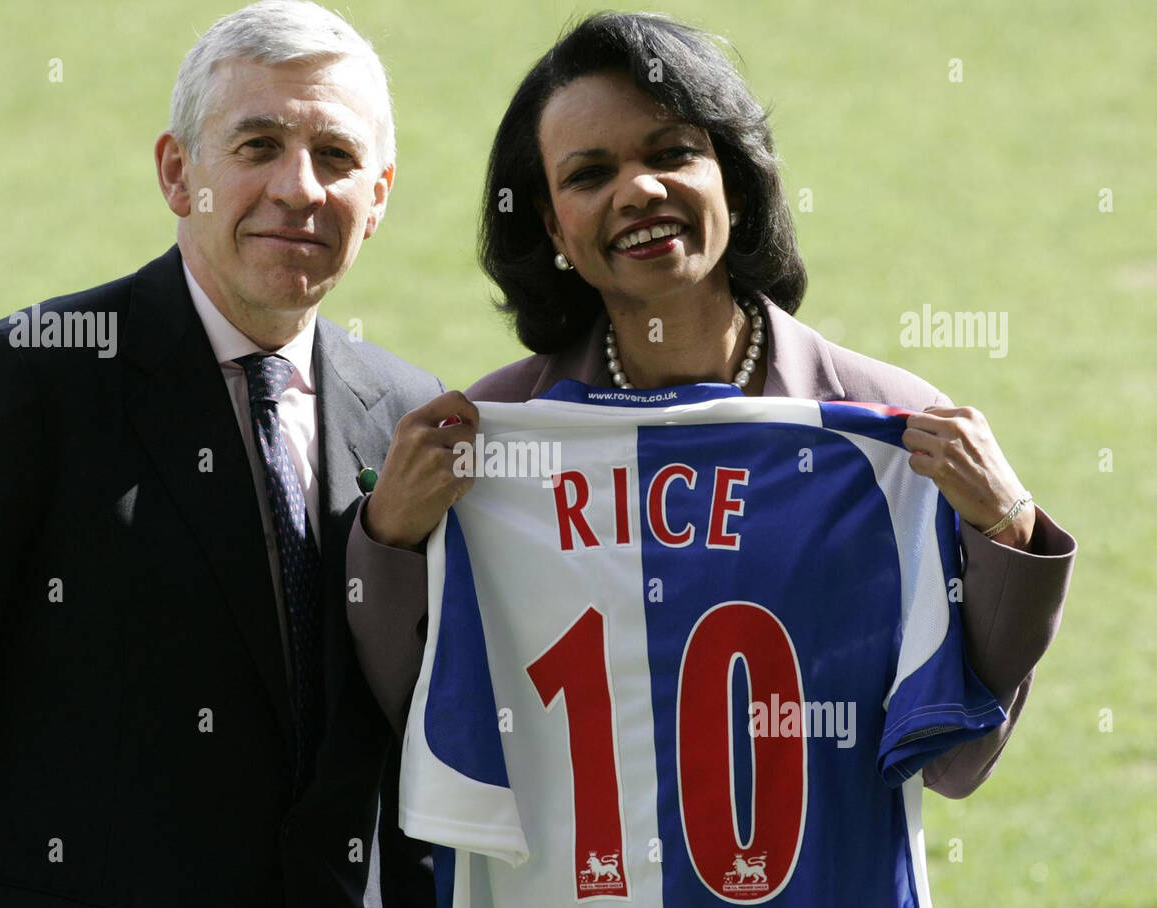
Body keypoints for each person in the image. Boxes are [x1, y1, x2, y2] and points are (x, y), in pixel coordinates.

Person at [347, 11, 1076, 801]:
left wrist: (1011, 530)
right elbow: (430, 736)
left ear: (731, 174)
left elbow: (955, 760)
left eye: (672, 153)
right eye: (589, 175)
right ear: (555, 225)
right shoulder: (491, 437)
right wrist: (388, 539)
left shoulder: (891, 430)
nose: (639, 189)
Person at [0, 0, 439, 908]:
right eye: (256, 146)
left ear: (379, 195)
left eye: (336, 157)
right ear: (179, 173)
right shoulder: (24, 383)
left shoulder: (407, 416)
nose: (300, 187)